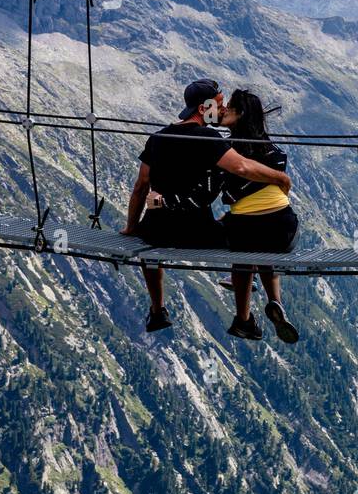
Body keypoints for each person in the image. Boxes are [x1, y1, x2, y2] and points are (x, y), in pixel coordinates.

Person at [122, 79, 291, 335]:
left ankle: (158, 310)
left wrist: (132, 227)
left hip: (155, 231)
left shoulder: (157, 138)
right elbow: (242, 167)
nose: (222, 111)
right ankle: (249, 308)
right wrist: (280, 178)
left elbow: (140, 187)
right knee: (249, 236)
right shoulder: (209, 138)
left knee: (152, 252)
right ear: (203, 109)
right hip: (198, 235)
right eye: (219, 105)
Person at [217, 89, 300, 343]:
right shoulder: (273, 151)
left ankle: (243, 318)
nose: (223, 110)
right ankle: (275, 301)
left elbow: (226, 193)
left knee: (243, 254)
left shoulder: (226, 151)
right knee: (264, 249)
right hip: (284, 229)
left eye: (228, 106)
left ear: (240, 114)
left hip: (245, 231)